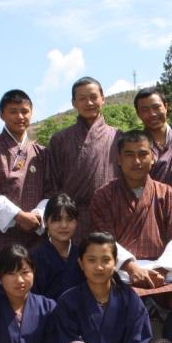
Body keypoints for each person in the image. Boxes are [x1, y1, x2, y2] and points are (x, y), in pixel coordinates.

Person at [56, 232, 172, 343]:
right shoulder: (68, 300)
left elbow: (139, 340)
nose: (99, 267)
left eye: (105, 260)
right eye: (92, 260)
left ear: (115, 264)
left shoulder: (129, 297)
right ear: (81, 263)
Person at [89, 130, 172, 309]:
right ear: (119, 159)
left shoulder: (167, 194)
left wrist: (161, 270)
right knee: (117, 303)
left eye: (143, 154)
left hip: (164, 270)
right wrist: (131, 268)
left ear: (153, 158)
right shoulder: (103, 196)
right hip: (121, 271)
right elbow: (104, 241)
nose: (136, 161)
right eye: (129, 155)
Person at [44, 77, 120, 242]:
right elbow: (52, 184)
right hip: (71, 220)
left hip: (111, 217)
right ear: (74, 103)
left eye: (93, 97)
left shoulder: (118, 137)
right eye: (82, 99)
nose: (89, 102)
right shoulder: (60, 139)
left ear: (103, 98)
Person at [0, 89, 48, 252]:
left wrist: (37, 215)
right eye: (13, 112)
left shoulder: (42, 153)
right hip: (2, 234)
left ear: (32, 113)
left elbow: (51, 190)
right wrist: (19, 216)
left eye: (24, 111)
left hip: (36, 233)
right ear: (2, 115)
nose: (20, 117)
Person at [133, 85, 172, 188]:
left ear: (166, 107)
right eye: (145, 110)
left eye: (156, 107)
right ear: (138, 114)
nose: (152, 114)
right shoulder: (133, 146)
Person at [31, 193, 84, 301]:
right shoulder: (35, 257)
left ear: (77, 221)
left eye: (69, 219)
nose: (64, 225)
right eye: (57, 219)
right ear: (45, 222)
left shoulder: (83, 255)